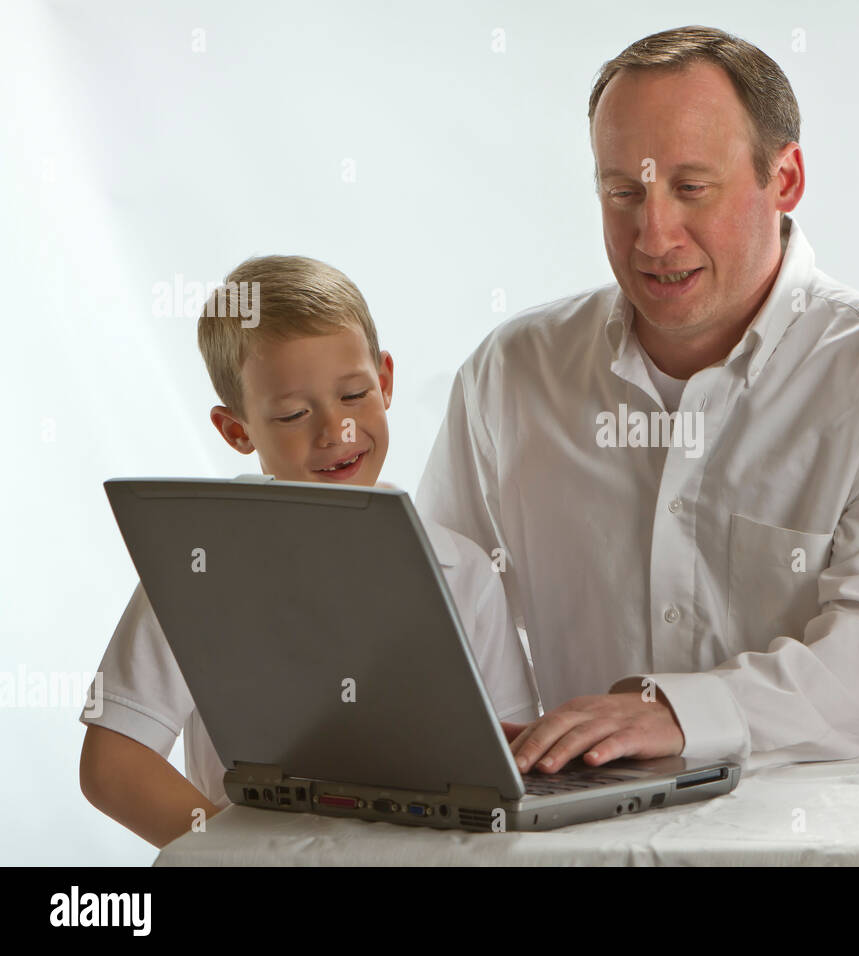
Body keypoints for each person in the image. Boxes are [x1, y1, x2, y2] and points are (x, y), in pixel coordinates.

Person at [417, 25, 859, 773]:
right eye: (622, 192)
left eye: (691, 188)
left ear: (785, 179)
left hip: (826, 841)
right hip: (574, 837)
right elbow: (439, 612)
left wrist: (675, 715)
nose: (652, 235)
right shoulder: (512, 373)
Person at [79, 255, 538, 848]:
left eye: (353, 395)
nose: (335, 432)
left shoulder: (466, 572)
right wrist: (251, 862)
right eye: (294, 413)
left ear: (387, 380)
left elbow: (514, 764)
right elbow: (113, 765)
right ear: (236, 431)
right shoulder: (199, 567)